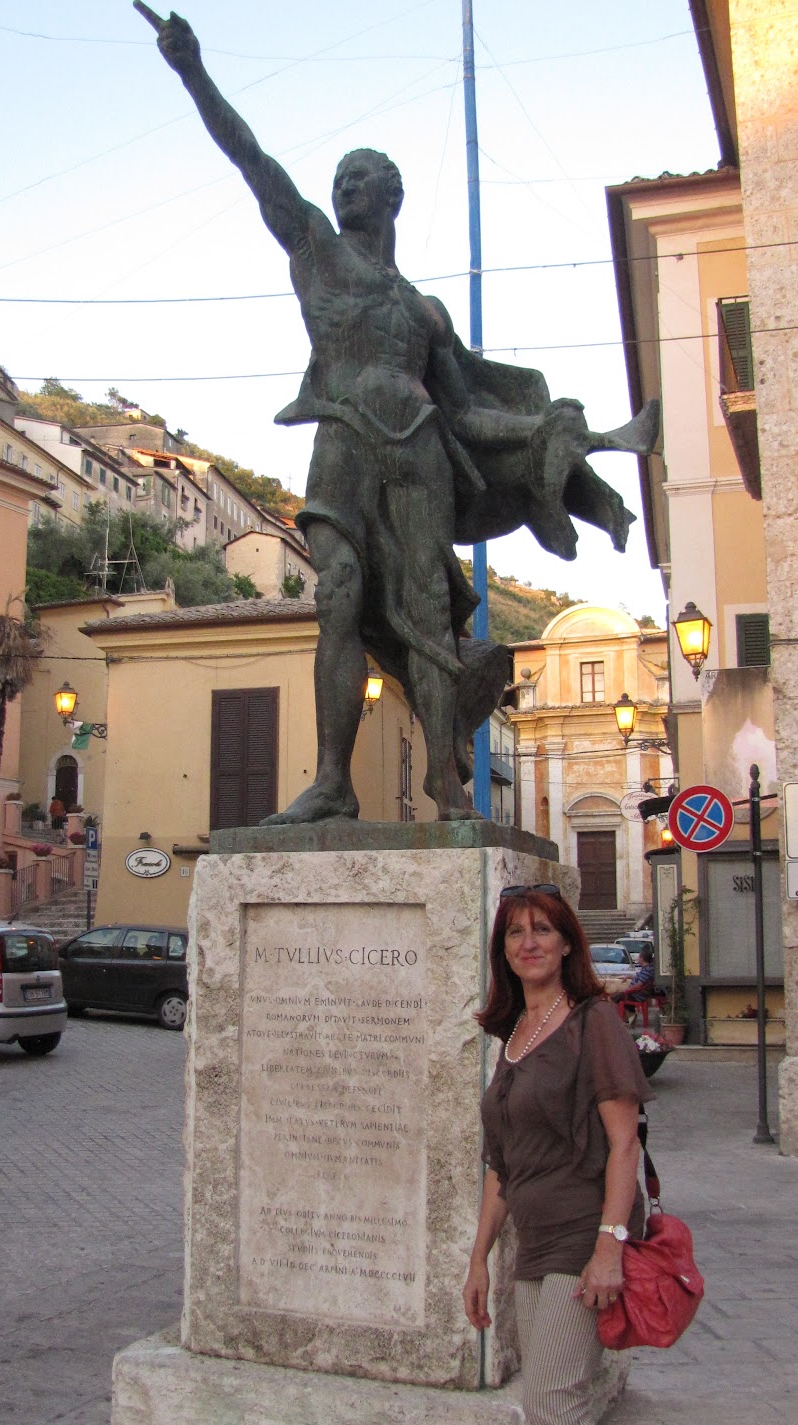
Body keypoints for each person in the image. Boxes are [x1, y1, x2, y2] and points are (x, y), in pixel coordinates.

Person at [137, 7, 658, 825]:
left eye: (359, 178)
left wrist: (550, 437)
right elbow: (252, 159)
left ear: (391, 197)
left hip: (419, 453)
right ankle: (333, 780)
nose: (344, 187)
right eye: (339, 177)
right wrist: (192, 70)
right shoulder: (313, 244)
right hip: (343, 441)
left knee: (426, 613)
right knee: (337, 595)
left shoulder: (426, 312)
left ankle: (447, 783)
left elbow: (466, 417)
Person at [463, 884, 653, 1425]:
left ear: (569, 943)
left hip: (580, 1231)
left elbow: (623, 1142)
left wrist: (610, 1244)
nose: (529, 943)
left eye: (543, 930)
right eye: (515, 933)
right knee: (551, 1407)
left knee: (554, 1404)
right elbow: (501, 1166)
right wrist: (480, 1255)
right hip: (533, 1240)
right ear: (502, 952)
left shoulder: (591, 1021)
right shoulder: (512, 1036)